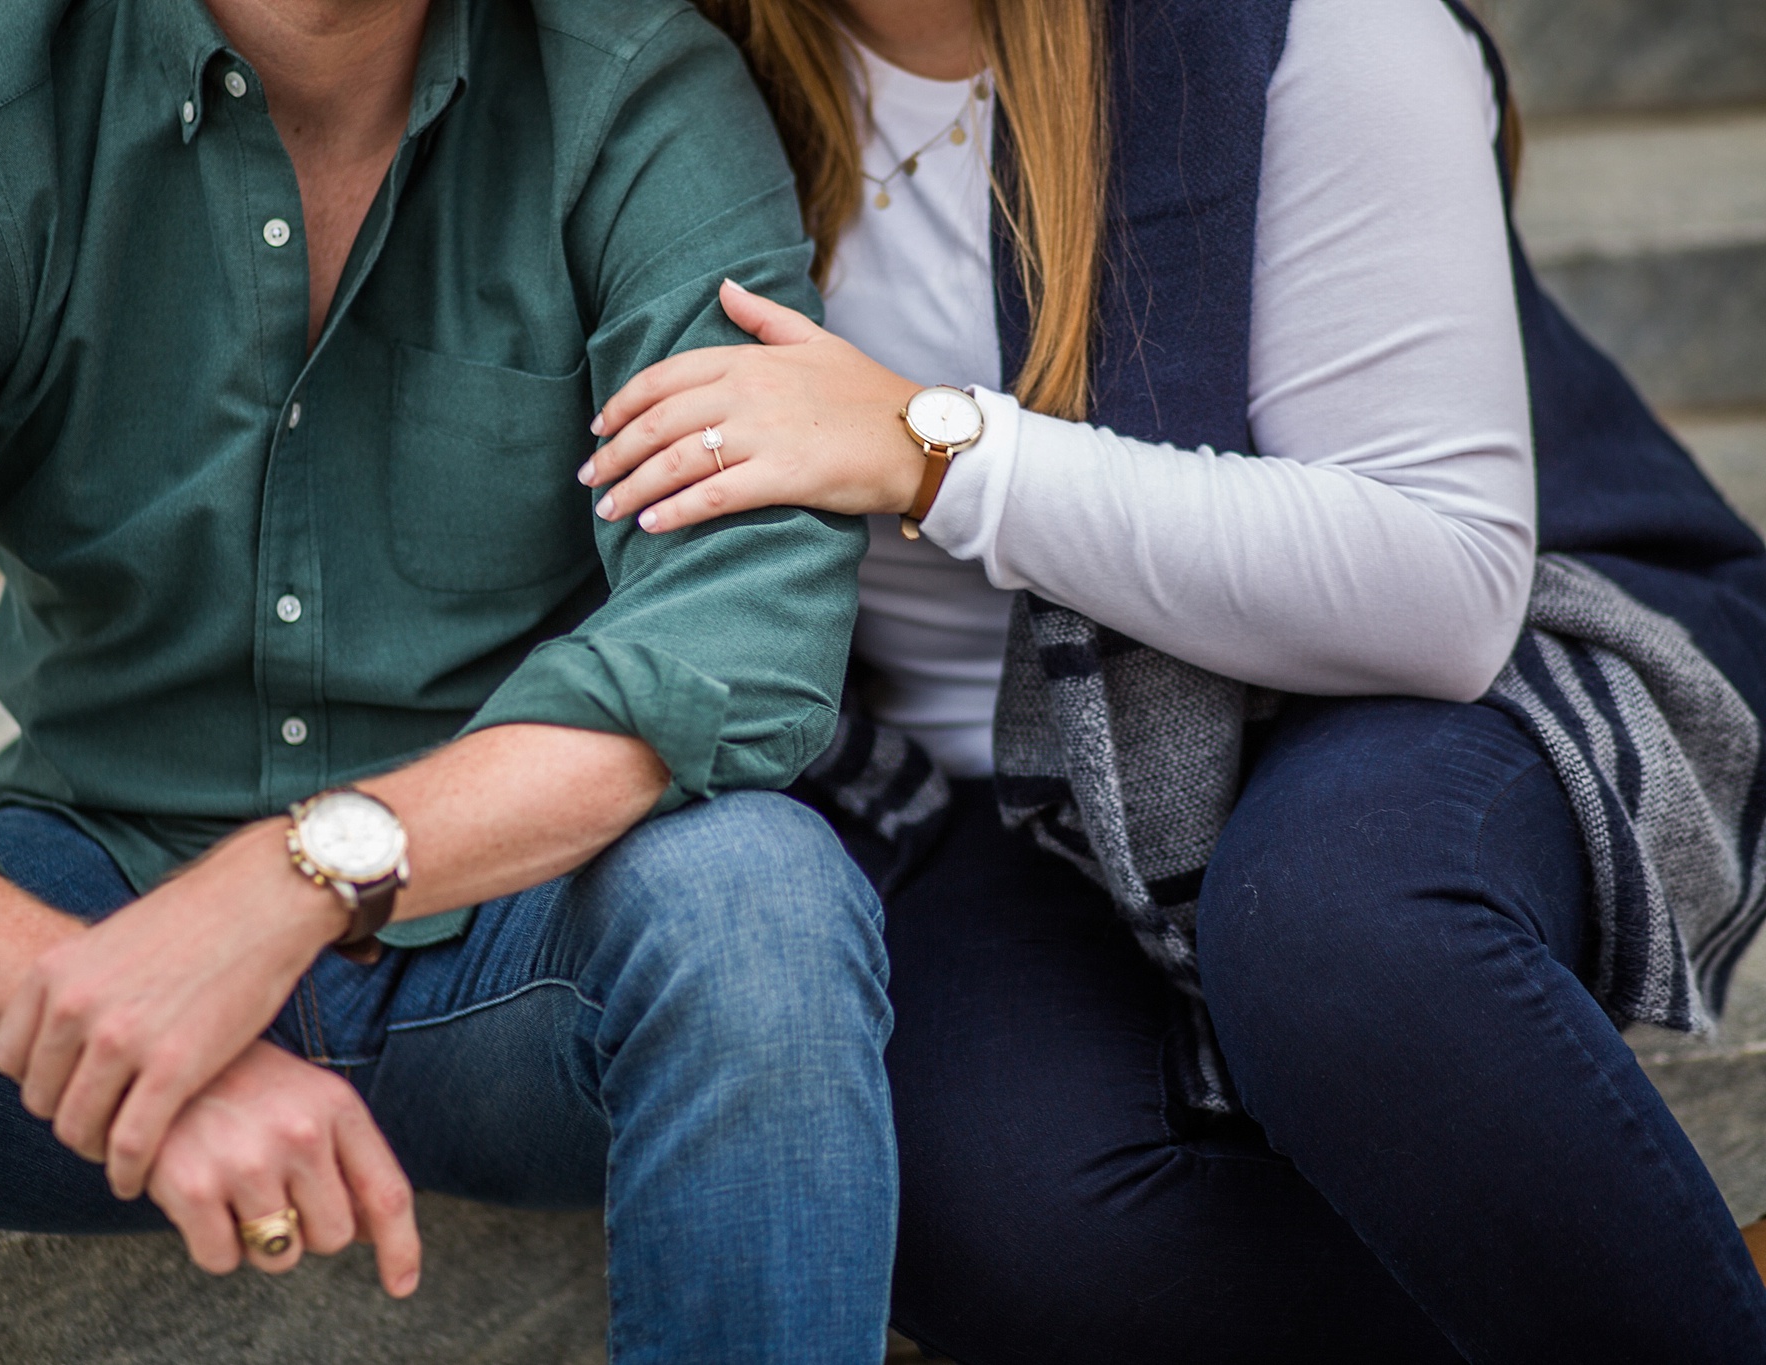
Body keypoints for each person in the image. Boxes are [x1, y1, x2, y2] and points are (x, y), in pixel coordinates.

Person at [0, 0, 899, 1359]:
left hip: (515, 935)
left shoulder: (632, 88)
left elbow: (743, 621)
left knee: (762, 902)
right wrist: (118, 1005)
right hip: (108, 883)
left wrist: (291, 880)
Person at [588, 0, 1766, 1359]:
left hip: (1421, 674)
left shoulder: (1308, 30)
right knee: (1003, 1209)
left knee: (1338, 930)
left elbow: (1444, 592)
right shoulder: (660, 69)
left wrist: (938, 454)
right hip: (957, 777)